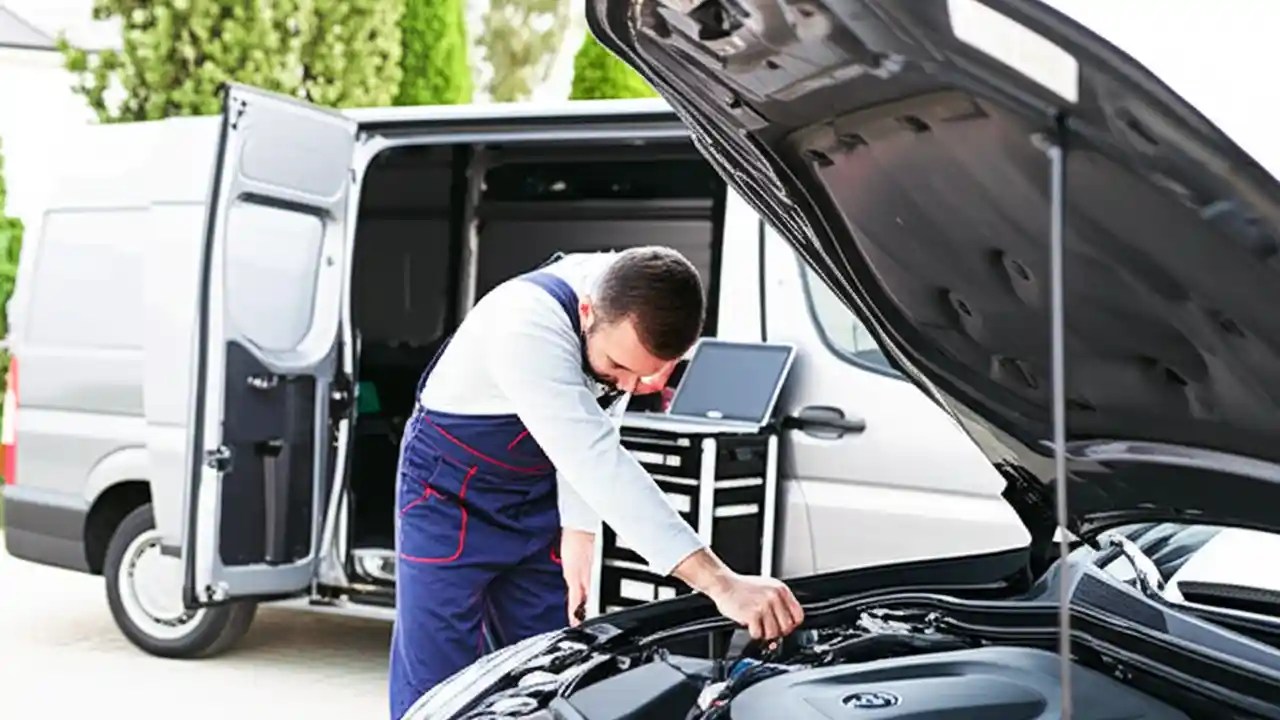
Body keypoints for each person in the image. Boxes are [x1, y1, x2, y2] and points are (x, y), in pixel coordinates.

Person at [388, 247, 804, 719]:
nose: (628, 387)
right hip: (450, 495)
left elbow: (595, 425)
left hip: (538, 490)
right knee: (439, 674)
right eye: (619, 369)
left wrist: (579, 532)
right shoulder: (524, 325)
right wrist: (719, 582)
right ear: (586, 313)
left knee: (542, 667)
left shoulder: (630, 295)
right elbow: (594, 456)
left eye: (648, 375)